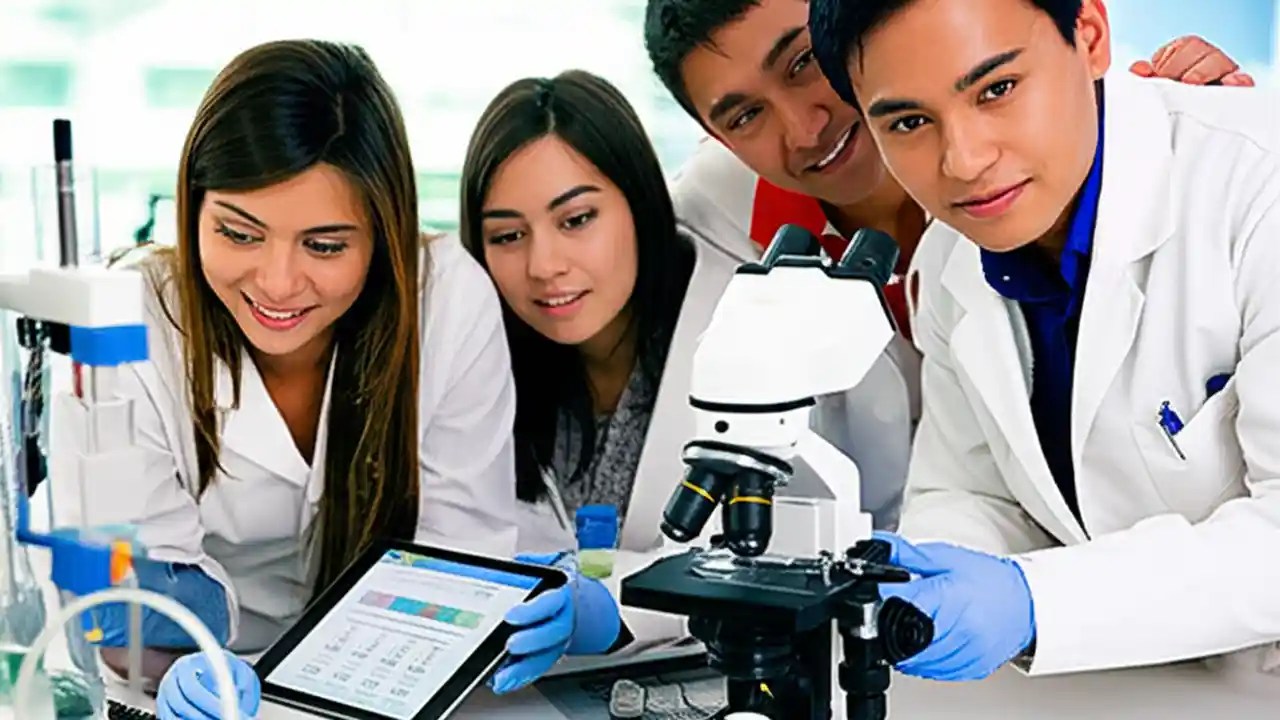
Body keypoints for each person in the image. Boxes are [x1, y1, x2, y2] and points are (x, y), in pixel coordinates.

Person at [49, 39, 529, 715]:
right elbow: (138, 619)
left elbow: (458, 567)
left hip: (386, 686)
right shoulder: (130, 323)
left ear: (383, 232)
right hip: (187, 690)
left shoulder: (446, 299)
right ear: (192, 209)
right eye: (239, 234)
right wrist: (191, 654)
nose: (277, 282)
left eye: (325, 245)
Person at [642, 0, 1252, 530]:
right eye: (745, 116)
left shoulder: (1181, 171)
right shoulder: (710, 216)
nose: (804, 130)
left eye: (804, 63)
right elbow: (962, 494)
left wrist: (1191, 119)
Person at [808, 0, 1280, 684]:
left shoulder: (1258, 182)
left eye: (997, 89)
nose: (964, 161)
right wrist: (926, 582)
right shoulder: (949, 259)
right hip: (1150, 687)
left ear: (1089, 35)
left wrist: (1034, 603)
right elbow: (970, 491)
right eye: (909, 122)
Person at [458, 69, 734, 689]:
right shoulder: (478, 357)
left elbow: (766, 556)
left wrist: (613, 606)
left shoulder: (732, 327)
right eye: (507, 235)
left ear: (639, 201)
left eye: (576, 219)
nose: (544, 266)